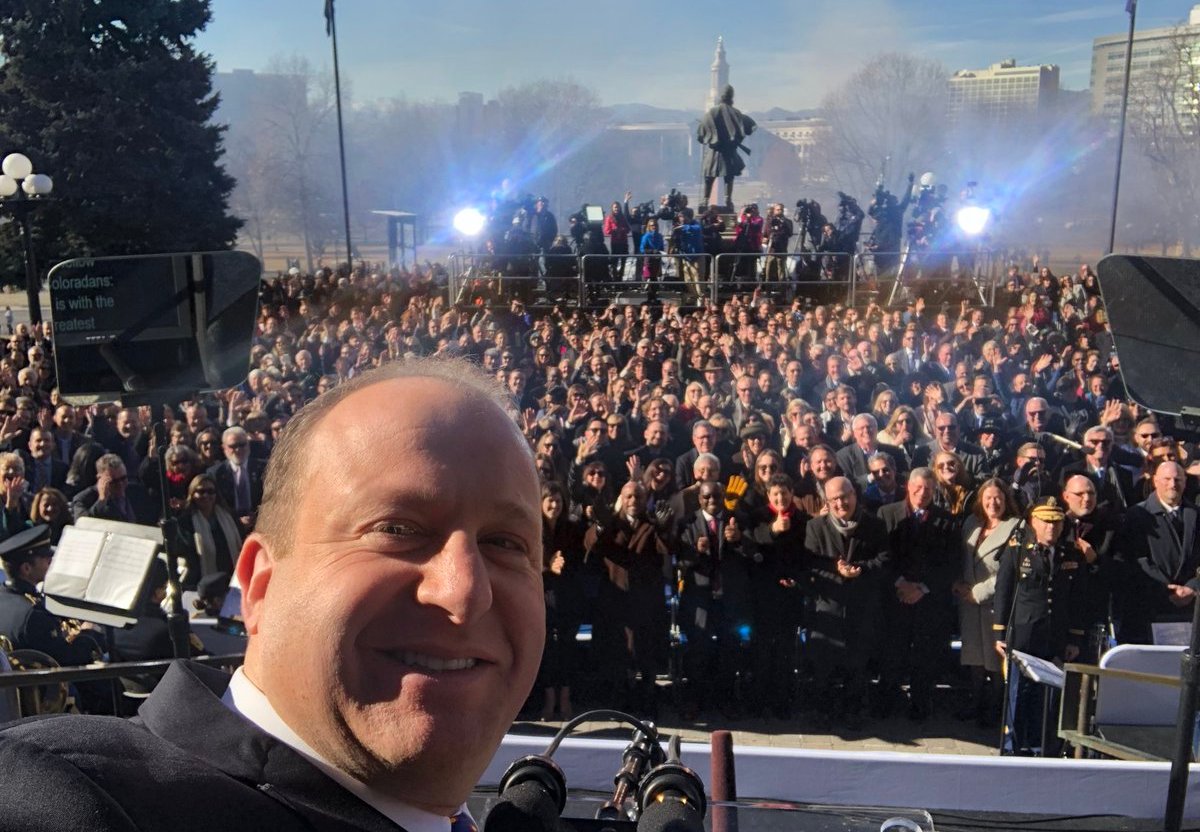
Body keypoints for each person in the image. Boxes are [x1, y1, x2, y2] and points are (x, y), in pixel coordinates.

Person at [0, 359, 547, 830]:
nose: (463, 592)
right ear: (262, 586)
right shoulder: (65, 797)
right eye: (398, 529)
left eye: (505, 543)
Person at [994, 496, 1088, 756]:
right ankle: (1012, 745)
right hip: (1024, 631)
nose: (1051, 528)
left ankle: (1039, 745)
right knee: (1017, 692)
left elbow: (1077, 599)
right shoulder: (1018, 550)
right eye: (1046, 522)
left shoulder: (1070, 554)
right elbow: (1004, 590)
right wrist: (1000, 632)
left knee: (1046, 695)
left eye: (1057, 522)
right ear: (1033, 522)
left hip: (1054, 634)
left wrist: (1074, 638)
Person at [803, 476, 890, 728]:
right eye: (835, 499)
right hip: (828, 606)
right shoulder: (816, 527)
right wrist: (836, 571)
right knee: (824, 666)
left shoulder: (874, 525)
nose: (841, 502)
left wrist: (860, 569)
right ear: (827, 503)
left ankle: (854, 712)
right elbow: (811, 564)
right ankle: (824, 712)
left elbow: (884, 559)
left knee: (857, 665)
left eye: (845, 496)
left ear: (854, 495)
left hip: (861, 607)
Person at [878, 468, 959, 720]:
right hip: (896, 596)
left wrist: (922, 588)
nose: (922, 493)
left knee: (925, 654)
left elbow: (950, 563)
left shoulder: (947, 520)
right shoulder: (887, 514)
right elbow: (882, 555)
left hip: (928, 600)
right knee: (893, 651)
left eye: (928, 489)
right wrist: (900, 583)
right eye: (918, 487)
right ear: (908, 487)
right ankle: (887, 700)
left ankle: (920, 704)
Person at [955, 478, 1020, 726]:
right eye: (988, 498)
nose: (993, 503)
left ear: (1006, 501)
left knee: (994, 659)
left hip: (993, 602)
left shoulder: (1014, 527)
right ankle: (975, 703)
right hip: (967, 602)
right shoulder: (972, 523)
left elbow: (1008, 571)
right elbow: (962, 557)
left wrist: (979, 591)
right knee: (974, 656)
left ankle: (994, 709)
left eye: (998, 498)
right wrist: (959, 584)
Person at [1118, 461, 1200, 643]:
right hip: (1149, 608)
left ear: (1185, 482)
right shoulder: (1137, 515)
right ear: (1155, 481)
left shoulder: (1196, 515)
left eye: (1178, 479)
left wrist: (1193, 587)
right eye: (1167, 479)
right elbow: (1138, 559)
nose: (1172, 484)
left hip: (1190, 610)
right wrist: (1167, 590)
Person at [177, 473, 244, 591]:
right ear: (192, 494)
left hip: (230, 578)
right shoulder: (185, 522)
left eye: (210, 491)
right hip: (202, 583)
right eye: (201, 491)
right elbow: (186, 551)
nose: (206, 495)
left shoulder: (229, 516)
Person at [696, 84, 756, 210]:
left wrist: (709, 136)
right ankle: (728, 199)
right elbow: (751, 127)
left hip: (715, 151)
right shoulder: (737, 113)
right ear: (731, 97)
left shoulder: (712, 112)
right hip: (729, 151)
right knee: (729, 177)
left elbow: (701, 134)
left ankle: (705, 200)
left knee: (709, 176)